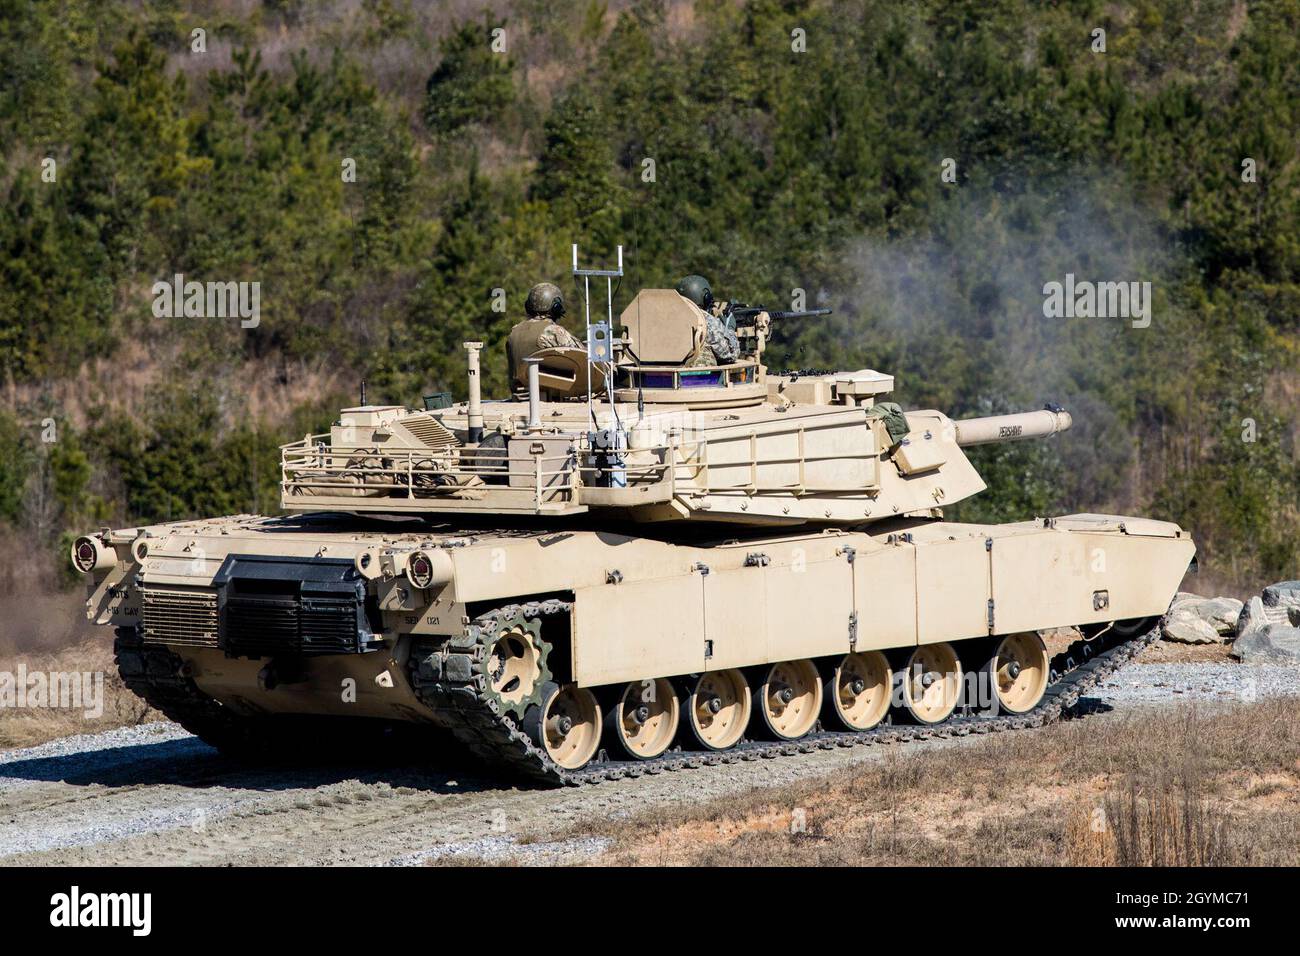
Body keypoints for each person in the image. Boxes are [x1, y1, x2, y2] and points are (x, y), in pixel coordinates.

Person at [506, 282, 581, 390]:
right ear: (556, 307)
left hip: (519, 393)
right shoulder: (553, 331)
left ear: (528, 306)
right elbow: (583, 356)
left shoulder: (514, 331)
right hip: (547, 393)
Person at [675, 274, 739, 366]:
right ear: (706, 297)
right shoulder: (705, 320)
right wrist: (729, 329)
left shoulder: (670, 317)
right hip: (700, 377)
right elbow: (730, 354)